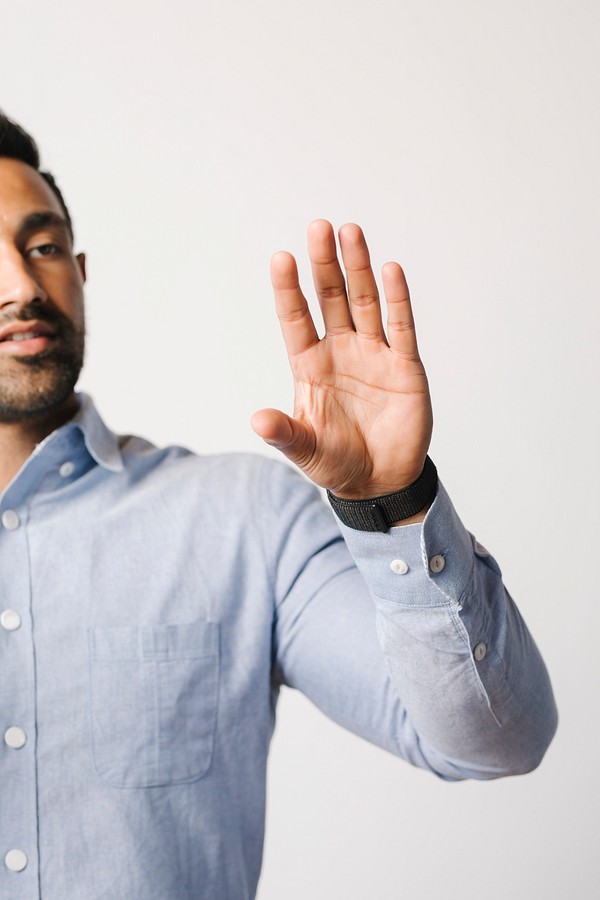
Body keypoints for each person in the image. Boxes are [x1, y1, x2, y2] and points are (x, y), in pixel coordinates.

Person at [0, 110, 557, 900]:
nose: (22, 286)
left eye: (43, 247)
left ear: (81, 270)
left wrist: (392, 503)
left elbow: (497, 741)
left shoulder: (243, 518)